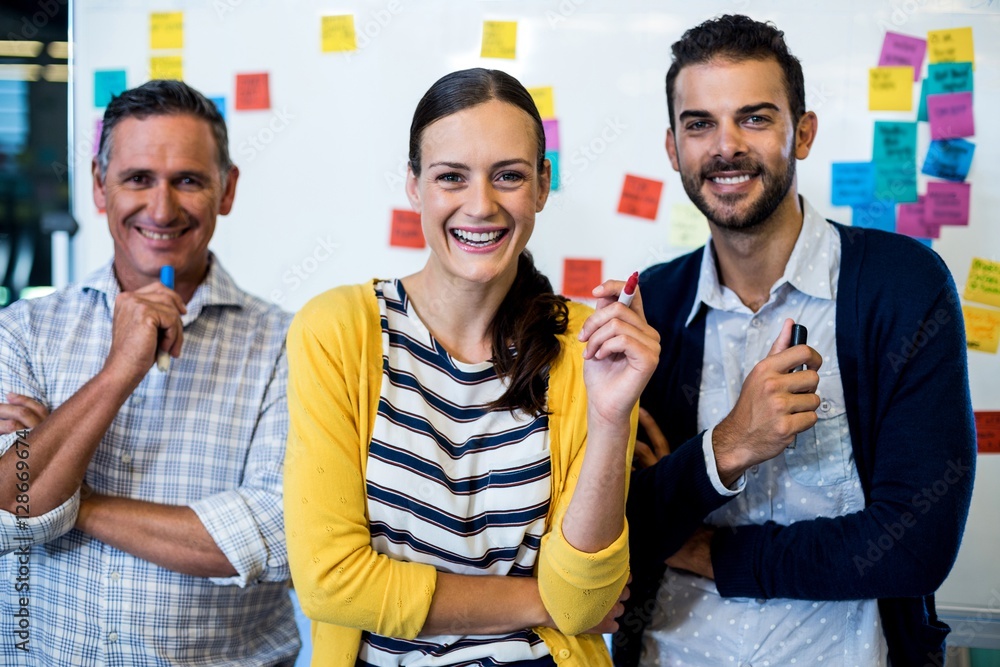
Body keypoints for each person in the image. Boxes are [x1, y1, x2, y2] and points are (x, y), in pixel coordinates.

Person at [612, 15, 976, 667]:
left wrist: (706, 551)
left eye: (754, 118)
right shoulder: (650, 308)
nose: (725, 147)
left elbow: (916, 543)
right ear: (673, 148)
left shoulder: (901, 287)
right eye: (700, 124)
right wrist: (729, 445)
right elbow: (616, 531)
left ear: (801, 133)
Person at [284, 67, 660, 666]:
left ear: (542, 185)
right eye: (451, 177)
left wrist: (613, 415)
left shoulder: (589, 346)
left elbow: (584, 608)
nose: (480, 206)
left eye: (508, 176)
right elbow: (330, 582)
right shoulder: (337, 330)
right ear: (414, 186)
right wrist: (539, 600)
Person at [0, 80, 299, 665]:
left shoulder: (291, 343)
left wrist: (69, 498)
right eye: (138, 179)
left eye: (188, 180)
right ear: (98, 186)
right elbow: (5, 518)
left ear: (227, 189)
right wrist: (117, 373)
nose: (161, 209)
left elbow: (280, 536)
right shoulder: (22, 331)